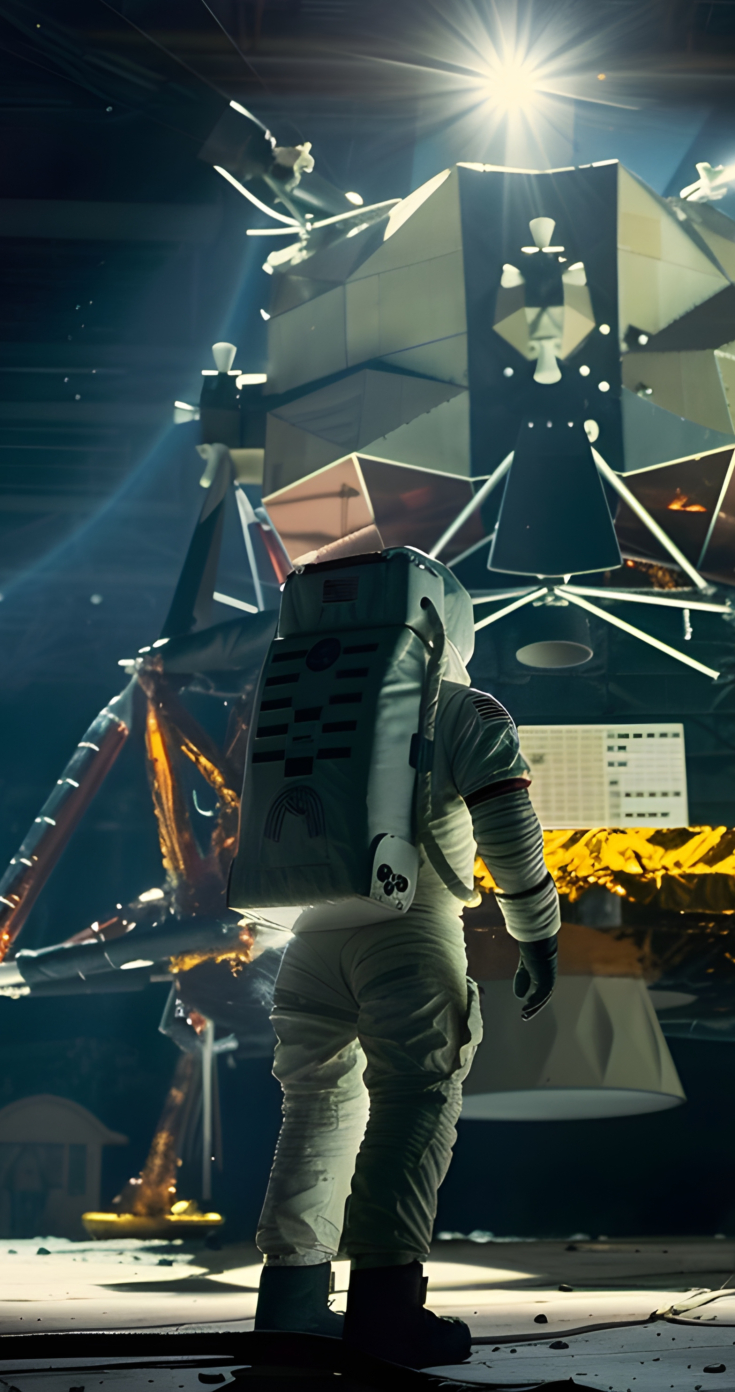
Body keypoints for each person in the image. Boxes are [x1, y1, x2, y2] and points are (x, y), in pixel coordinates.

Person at [251, 562, 559, 1368]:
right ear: (451, 627)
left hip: (308, 934)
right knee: (413, 1104)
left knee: (317, 1114)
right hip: (409, 928)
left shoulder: (308, 701)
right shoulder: (463, 707)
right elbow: (511, 835)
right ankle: (386, 1310)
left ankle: (289, 1303)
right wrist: (539, 936)